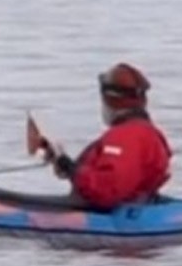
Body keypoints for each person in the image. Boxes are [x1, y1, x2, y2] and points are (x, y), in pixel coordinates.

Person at [42, 63, 172, 210]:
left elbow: (107, 190)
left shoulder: (126, 137)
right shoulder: (145, 132)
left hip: (117, 215)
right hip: (135, 206)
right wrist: (65, 165)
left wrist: (71, 169)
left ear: (110, 100)